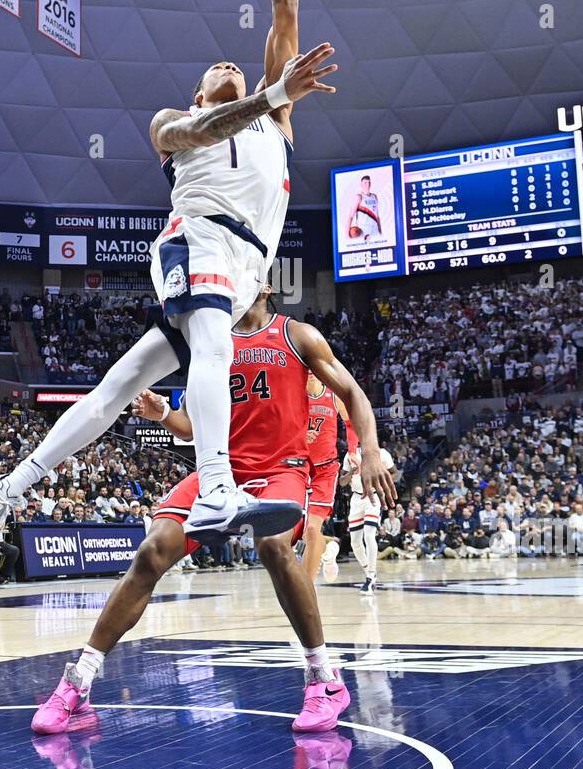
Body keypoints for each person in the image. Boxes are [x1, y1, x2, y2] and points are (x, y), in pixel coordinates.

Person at [0, 0, 339, 549]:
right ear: (197, 94)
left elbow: (286, 6)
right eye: (212, 70)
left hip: (240, 268)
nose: (226, 64)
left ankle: (4, 492)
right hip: (198, 243)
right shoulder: (175, 124)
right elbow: (206, 126)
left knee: (113, 391)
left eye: (234, 64)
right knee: (216, 347)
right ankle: (218, 490)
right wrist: (272, 93)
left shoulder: (274, 122)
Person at [30, 288, 396, 737]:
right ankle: (78, 683)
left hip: (281, 469)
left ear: (261, 284)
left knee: (273, 543)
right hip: (220, 468)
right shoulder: (208, 343)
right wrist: (163, 410)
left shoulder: (297, 336)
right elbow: (191, 426)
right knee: (152, 550)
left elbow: (354, 394)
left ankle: (324, 678)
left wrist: (372, 451)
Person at [301, 373, 345, 581]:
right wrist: (299, 436)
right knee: (298, 531)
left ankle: (305, 590)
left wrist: (354, 450)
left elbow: (351, 421)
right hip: (299, 469)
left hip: (325, 470)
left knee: (311, 528)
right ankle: (328, 550)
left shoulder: (333, 396)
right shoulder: (296, 398)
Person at [343, 439, 396, 593]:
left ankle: (370, 576)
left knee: (369, 535)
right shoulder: (350, 455)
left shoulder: (381, 453)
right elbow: (342, 482)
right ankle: (369, 572)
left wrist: (382, 484)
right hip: (356, 498)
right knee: (355, 542)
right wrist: (352, 471)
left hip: (373, 497)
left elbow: (394, 472)